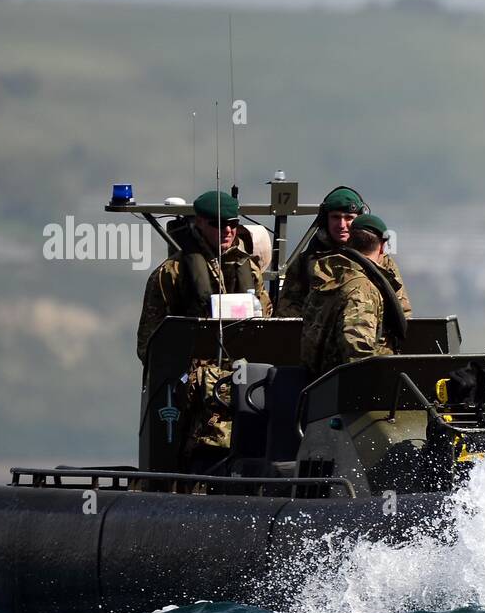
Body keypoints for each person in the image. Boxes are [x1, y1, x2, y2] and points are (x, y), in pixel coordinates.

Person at [135, 189, 271, 473]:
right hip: (194, 399)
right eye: (218, 224)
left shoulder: (250, 270)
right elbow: (151, 343)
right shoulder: (172, 273)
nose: (227, 231)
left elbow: (268, 326)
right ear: (199, 222)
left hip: (244, 389)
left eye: (232, 224)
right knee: (197, 466)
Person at [300, 213, 412, 375]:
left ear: (350, 241)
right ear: (382, 246)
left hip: (321, 381)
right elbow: (357, 350)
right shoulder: (362, 288)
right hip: (351, 388)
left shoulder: (331, 275)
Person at [276, 185, 368, 317]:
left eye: (349, 218)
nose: (342, 225)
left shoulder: (375, 259)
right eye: (336, 217)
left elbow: (400, 311)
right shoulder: (304, 263)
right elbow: (286, 314)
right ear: (326, 220)